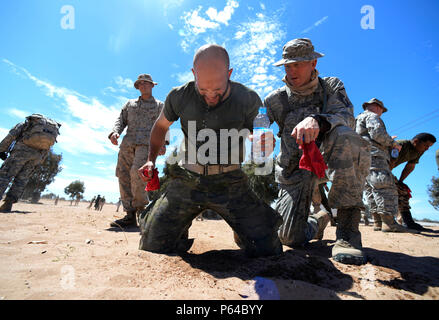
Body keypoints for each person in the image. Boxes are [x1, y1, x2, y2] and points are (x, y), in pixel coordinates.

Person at [137, 44, 283, 257]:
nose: (211, 96)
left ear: (229, 74)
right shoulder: (179, 96)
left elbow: (258, 132)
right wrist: (150, 159)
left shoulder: (249, 98)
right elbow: (161, 126)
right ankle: (177, 227)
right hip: (188, 178)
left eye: (217, 90)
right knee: (153, 245)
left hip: (230, 181)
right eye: (203, 89)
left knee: (268, 250)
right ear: (194, 74)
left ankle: (242, 230)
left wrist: (263, 141)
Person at [264, 38, 370, 265]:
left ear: (313, 63)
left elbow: (348, 118)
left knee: (347, 137)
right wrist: (259, 135)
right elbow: (257, 123)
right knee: (288, 237)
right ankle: (318, 220)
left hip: (330, 161)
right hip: (295, 172)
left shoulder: (331, 87)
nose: (291, 71)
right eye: (287, 65)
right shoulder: (275, 99)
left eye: (298, 64)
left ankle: (348, 233)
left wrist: (318, 120)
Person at [108, 74, 167, 228]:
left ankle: (142, 212)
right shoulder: (130, 104)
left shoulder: (159, 105)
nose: (143, 85)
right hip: (127, 145)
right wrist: (115, 132)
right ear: (137, 87)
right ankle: (129, 215)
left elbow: (163, 124)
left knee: (138, 173)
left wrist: (163, 142)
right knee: (123, 175)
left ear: (152, 85)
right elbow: (120, 120)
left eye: (146, 83)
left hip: (147, 145)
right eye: (140, 84)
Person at [356, 98, 417, 233]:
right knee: (385, 187)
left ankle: (378, 222)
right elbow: (377, 134)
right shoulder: (372, 116)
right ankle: (389, 223)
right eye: (382, 110)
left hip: (361, 158)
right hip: (375, 156)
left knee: (371, 189)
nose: (382, 113)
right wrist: (393, 143)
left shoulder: (357, 119)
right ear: (378, 107)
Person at [0, 114, 61, 212]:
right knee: (21, 180)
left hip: (20, 152)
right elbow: (47, 147)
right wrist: (40, 160)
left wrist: (2, 150)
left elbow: (11, 136)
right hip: (36, 157)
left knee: (5, 175)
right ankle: (8, 203)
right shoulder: (50, 131)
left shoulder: (27, 124)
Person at [389, 133, 436, 231]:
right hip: (376, 167)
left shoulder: (419, 151)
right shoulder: (400, 144)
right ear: (416, 141)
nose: (427, 148)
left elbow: (410, 166)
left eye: (429, 147)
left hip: (387, 171)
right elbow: (390, 159)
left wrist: (401, 181)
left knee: (403, 191)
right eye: (426, 145)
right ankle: (382, 222)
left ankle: (409, 222)